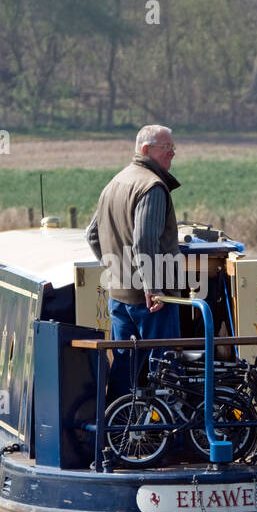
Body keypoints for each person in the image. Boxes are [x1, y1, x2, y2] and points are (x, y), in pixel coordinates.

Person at [87, 124, 183, 393]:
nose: (173, 154)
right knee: (164, 367)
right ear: (146, 149)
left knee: (124, 367)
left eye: (173, 148)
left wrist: (117, 270)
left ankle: (114, 429)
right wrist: (152, 287)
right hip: (153, 300)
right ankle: (166, 430)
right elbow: (144, 242)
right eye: (167, 148)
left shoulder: (115, 182)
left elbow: (92, 235)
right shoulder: (152, 186)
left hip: (119, 294)